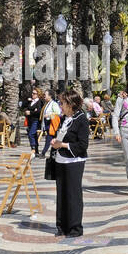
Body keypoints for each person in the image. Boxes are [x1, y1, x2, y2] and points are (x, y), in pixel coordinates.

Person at [49, 89, 90, 237]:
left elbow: (82, 145)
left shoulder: (81, 119)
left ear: (71, 104)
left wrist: (63, 145)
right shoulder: (64, 118)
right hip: (60, 160)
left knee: (73, 194)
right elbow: (60, 136)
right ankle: (61, 226)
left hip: (74, 161)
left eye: (62, 103)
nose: (60, 105)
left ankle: (75, 228)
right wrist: (55, 142)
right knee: (61, 194)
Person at [22, 85, 44, 153]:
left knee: (31, 134)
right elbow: (23, 106)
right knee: (33, 135)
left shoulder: (39, 102)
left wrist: (31, 112)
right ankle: (36, 151)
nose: (32, 94)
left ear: (38, 94)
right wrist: (27, 101)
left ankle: (33, 149)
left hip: (35, 120)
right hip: (29, 120)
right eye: (32, 93)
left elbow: (39, 111)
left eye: (34, 93)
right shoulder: (31, 101)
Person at [40, 88, 61, 156]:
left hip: (51, 124)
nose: (44, 96)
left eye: (45, 95)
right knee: (53, 139)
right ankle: (55, 153)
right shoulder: (47, 103)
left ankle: (43, 153)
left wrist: (49, 115)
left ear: (50, 96)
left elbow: (58, 113)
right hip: (47, 123)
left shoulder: (53, 104)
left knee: (49, 139)